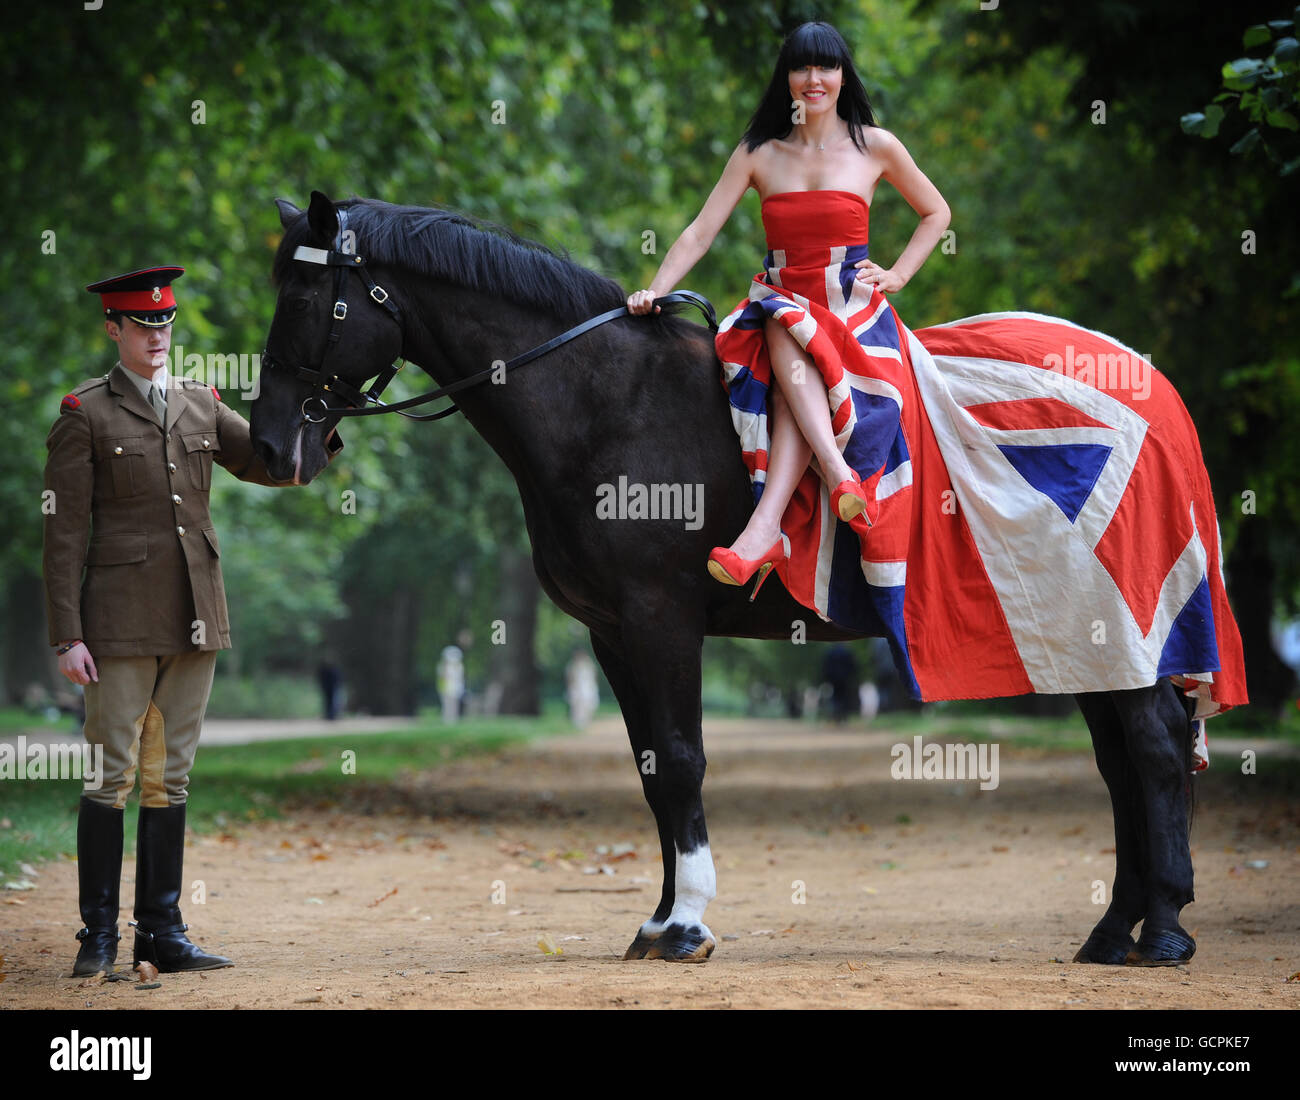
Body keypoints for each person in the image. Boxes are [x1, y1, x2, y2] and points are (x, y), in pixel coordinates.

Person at [44, 266, 313, 977]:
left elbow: (267, 462)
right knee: (112, 776)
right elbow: (64, 535)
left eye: (164, 324)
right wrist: (67, 635)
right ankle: (97, 936)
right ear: (114, 330)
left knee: (173, 778)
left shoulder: (200, 403)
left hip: (197, 615)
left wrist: (320, 416)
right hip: (119, 623)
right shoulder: (85, 413)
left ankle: (160, 932)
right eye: (142, 325)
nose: (157, 335)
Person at [627, 20, 949, 597]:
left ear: (842, 75)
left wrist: (897, 273)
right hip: (785, 303)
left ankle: (772, 524)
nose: (813, 79)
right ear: (788, 79)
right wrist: (655, 288)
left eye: (825, 67)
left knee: (783, 332)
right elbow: (700, 232)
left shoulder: (875, 145)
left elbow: (937, 213)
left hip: (853, 313)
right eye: (801, 68)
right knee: (780, 320)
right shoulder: (760, 153)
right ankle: (826, 479)